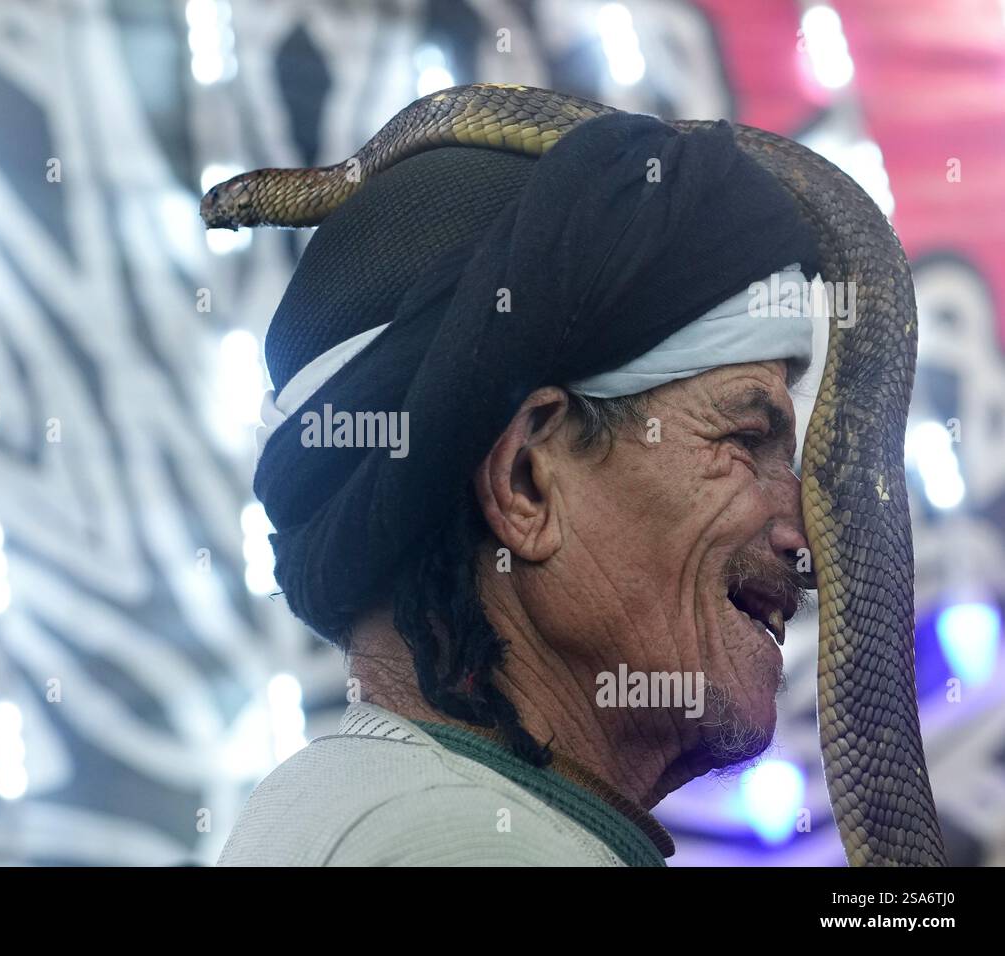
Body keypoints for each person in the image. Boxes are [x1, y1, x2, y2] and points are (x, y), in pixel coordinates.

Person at [217, 110, 818, 866]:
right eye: (745, 440)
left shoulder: (334, 808)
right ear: (526, 482)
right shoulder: (467, 848)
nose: (807, 536)